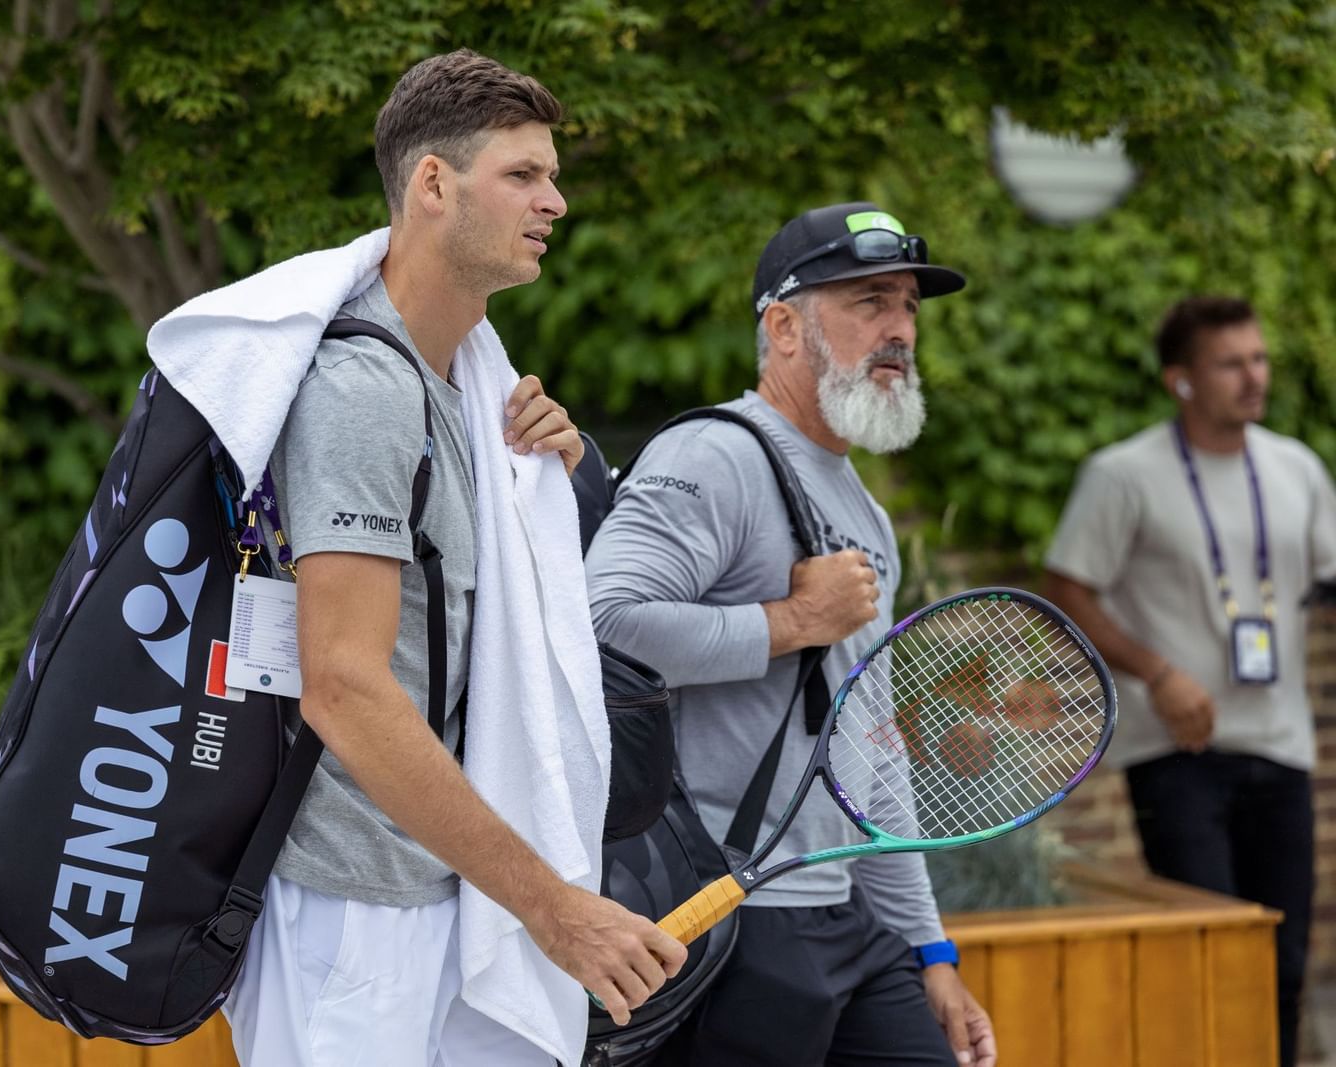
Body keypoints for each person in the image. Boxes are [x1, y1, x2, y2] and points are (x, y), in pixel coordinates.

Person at [211, 50, 686, 1066]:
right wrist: (554, 907)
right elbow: (342, 685)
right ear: (433, 183)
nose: (554, 200)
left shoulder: (472, 389)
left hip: (445, 895)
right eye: (523, 174)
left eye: (551, 175)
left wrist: (551, 483)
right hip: (354, 914)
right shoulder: (359, 390)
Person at [587, 201, 996, 1067]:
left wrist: (930, 951)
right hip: (728, 914)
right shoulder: (715, 455)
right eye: (870, 302)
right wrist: (793, 622)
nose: (900, 330)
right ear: (783, 326)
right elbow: (604, 622)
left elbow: (873, 752)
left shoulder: (866, 511)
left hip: (842, 913)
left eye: (910, 308)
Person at [1044, 295, 1336, 1067]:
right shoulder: (1122, 474)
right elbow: (1068, 587)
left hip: (1282, 747)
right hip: (1177, 754)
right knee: (1207, 960)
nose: (1254, 376)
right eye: (1231, 362)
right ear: (1180, 380)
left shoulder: (1297, 466)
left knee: (1283, 964)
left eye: (1260, 357)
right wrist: (1157, 672)